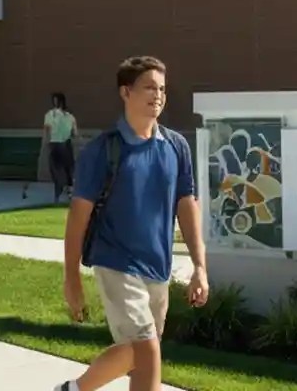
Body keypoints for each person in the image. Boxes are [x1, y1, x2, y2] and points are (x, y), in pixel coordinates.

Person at [56, 56, 209, 391]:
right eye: (149, 88)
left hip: (158, 266)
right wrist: (71, 278)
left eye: (162, 89)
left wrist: (200, 266)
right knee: (146, 348)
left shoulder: (176, 146)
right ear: (126, 92)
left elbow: (187, 204)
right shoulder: (104, 149)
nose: (158, 95)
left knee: (142, 358)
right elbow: (78, 216)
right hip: (116, 261)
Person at [45, 92, 78, 202]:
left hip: (55, 144)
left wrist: (46, 143)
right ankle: (68, 190)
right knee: (68, 168)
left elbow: (47, 130)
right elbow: (75, 133)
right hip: (65, 144)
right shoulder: (69, 116)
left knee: (56, 169)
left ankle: (59, 192)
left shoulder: (50, 115)